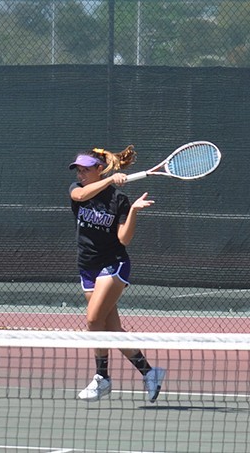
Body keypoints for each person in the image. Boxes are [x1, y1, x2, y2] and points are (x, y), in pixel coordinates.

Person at [69, 145, 165, 402]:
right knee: (109, 327)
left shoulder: (118, 200)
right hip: (87, 266)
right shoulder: (77, 191)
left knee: (92, 321)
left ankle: (102, 378)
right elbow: (80, 196)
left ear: (98, 169)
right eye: (78, 169)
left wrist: (133, 210)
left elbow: (123, 238)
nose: (79, 173)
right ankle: (149, 372)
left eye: (85, 169)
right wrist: (111, 179)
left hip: (113, 264)